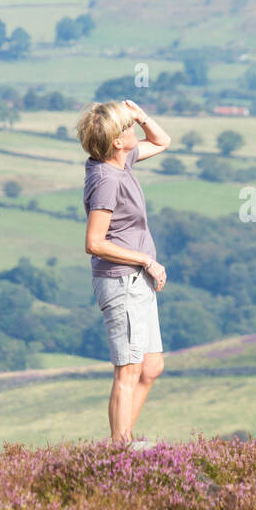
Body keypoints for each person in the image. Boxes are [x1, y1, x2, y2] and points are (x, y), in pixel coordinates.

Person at [77, 98, 172, 445]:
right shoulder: (106, 180)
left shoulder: (122, 161)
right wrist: (146, 260)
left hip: (137, 281)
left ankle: (122, 444)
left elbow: (163, 142)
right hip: (122, 281)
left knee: (151, 367)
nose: (133, 128)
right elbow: (94, 242)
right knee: (128, 371)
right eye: (127, 126)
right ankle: (121, 449)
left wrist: (142, 116)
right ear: (117, 141)